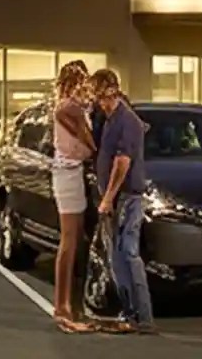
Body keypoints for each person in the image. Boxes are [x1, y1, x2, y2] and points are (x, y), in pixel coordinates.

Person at [91, 68, 156, 334]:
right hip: (118, 199)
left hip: (127, 198)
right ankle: (130, 314)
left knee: (129, 255)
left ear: (112, 91)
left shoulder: (126, 121)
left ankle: (143, 317)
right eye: (97, 97)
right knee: (117, 258)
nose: (99, 101)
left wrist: (107, 198)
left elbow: (123, 162)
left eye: (101, 95)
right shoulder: (109, 119)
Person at [49, 60, 96, 333]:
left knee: (76, 240)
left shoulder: (75, 106)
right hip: (67, 173)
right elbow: (85, 136)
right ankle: (62, 308)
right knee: (68, 241)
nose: (84, 84)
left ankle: (71, 305)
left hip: (74, 172)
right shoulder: (67, 107)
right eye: (80, 80)